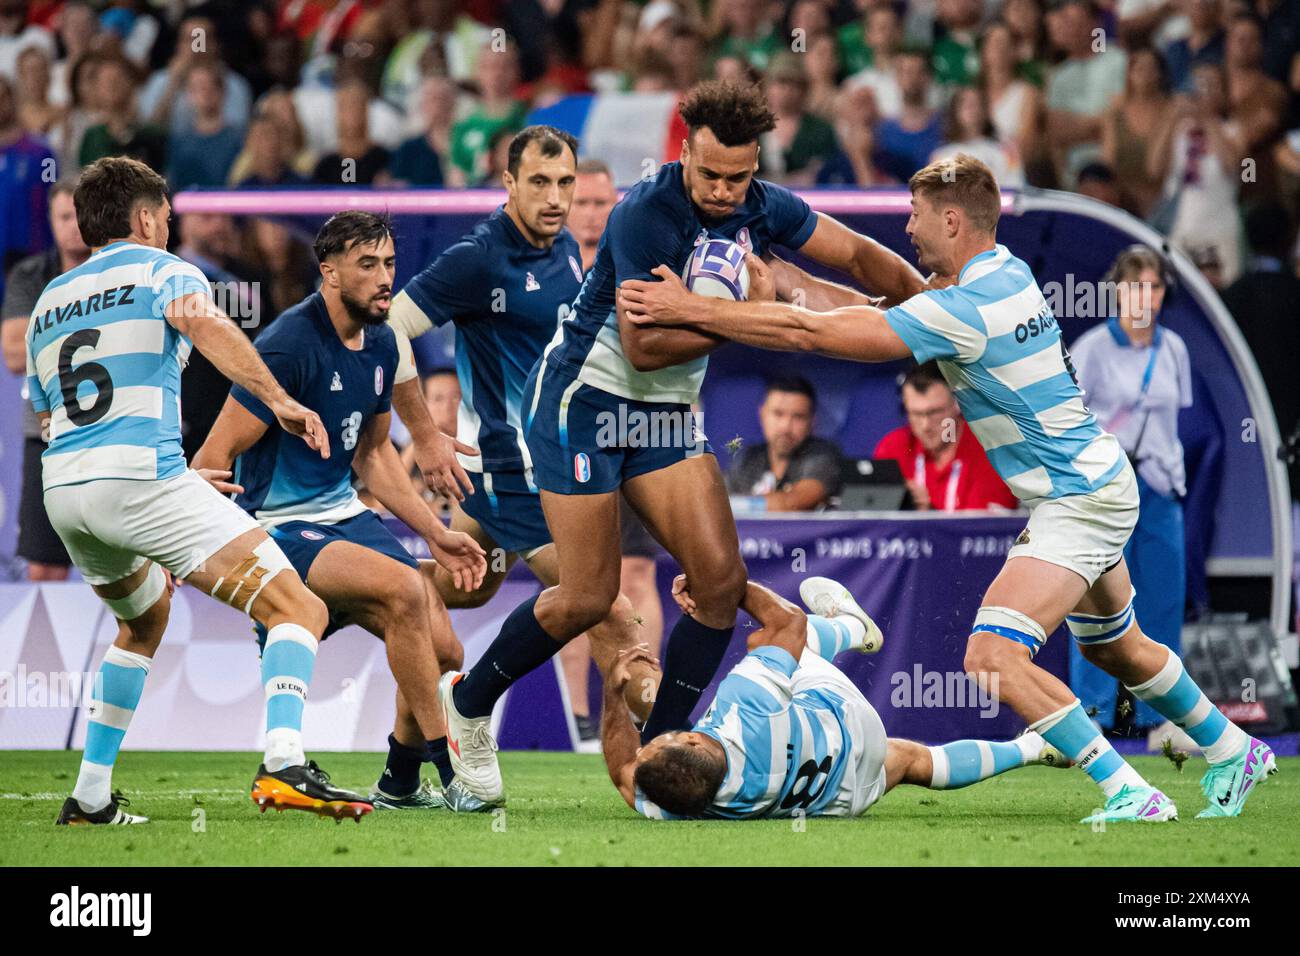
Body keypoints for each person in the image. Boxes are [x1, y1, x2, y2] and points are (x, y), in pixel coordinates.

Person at [619, 152, 1277, 823]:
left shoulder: (966, 308)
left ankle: (1128, 790)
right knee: (1114, 645)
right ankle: (1232, 749)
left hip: (1077, 501)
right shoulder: (1002, 276)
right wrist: (789, 285)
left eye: (916, 215)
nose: (908, 227)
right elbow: (876, 307)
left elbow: (813, 333)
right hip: (1097, 483)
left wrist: (694, 308)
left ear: (953, 219)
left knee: (992, 656)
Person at [446, 80, 923, 808]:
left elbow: (858, 255)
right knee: (586, 596)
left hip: (665, 416)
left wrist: (933, 302)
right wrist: (752, 312)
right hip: (583, 403)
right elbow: (644, 345)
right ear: (685, 153)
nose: (726, 190)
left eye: (739, 176)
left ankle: (660, 747)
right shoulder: (645, 211)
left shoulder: (763, 202)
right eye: (711, 175)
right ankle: (470, 704)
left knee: (720, 586)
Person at [26, 156, 367, 825]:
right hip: (138, 480)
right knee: (298, 607)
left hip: (65, 489)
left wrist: (163, 481)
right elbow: (208, 327)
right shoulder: (166, 270)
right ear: (147, 218)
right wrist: (279, 398)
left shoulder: (50, 303)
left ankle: (91, 794)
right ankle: (284, 764)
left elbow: (47, 414)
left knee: (143, 621)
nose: (170, 228)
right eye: (168, 218)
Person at [386, 126, 658, 802]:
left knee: (462, 587)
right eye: (539, 182)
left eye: (565, 183)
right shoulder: (477, 258)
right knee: (611, 613)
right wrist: (423, 434)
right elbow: (388, 325)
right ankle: (644, 771)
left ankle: (396, 763)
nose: (557, 197)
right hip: (516, 472)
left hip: (564, 464)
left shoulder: (566, 247)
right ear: (508, 184)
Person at [192, 211, 489, 812]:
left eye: (388, 264)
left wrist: (435, 533)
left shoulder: (382, 341)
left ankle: (401, 784)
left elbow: (374, 454)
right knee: (404, 589)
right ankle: (453, 776)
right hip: (277, 527)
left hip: (343, 516)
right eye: (367, 265)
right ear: (328, 272)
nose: (385, 279)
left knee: (446, 654)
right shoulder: (287, 345)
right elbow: (214, 455)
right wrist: (200, 545)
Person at [604, 575, 1066, 820]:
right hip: (846, 720)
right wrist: (725, 584)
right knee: (767, 645)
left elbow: (627, 776)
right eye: (661, 740)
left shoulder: (684, 802)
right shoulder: (749, 711)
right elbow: (789, 624)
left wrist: (611, 699)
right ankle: (852, 626)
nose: (652, 741)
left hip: (843, 791)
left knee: (909, 760)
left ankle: (1033, 748)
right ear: (690, 743)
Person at [560, 157, 665, 748]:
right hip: (563, 435)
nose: (596, 214)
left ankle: (647, 700)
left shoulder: (641, 259)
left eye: (606, 203)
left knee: (642, 570)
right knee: (582, 583)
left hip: (634, 427)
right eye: (586, 203)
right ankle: (582, 722)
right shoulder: (543, 269)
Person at [1068, 246, 1192, 733]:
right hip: (1106, 490)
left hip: (1159, 489)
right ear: (1117, 290)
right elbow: (1070, 419)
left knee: (1162, 601)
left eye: (1155, 286)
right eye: (1136, 285)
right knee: (1097, 605)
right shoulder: (1093, 347)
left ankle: (1161, 717)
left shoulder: (1174, 348)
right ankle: (1093, 715)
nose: (1146, 296)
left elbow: (1173, 424)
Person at [3, 180, 87, 582]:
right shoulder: (30, 273)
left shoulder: (128, 272)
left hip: (112, 435)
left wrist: (44, 331)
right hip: (47, 436)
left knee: (132, 567)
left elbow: (27, 346)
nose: (74, 225)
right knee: (44, 565)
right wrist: (89, 328)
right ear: (51, 222)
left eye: (81, 215)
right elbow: (14, 355)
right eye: (64, 216)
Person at [875, 361, 1018, 512]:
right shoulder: (893, 447)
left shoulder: (989, 449)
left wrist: (927, 514)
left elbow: (984, 530)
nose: (925, 425)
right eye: (916, 414)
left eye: (935, 412)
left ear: (958, 404)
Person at [726, 375, 844, 511]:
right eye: (778, 414)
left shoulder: (823, 454)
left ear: (812, 422)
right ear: (762, 414)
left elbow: (792, 503)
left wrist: (733, 505)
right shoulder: (747, 458)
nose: (786, 427)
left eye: (798, 417)